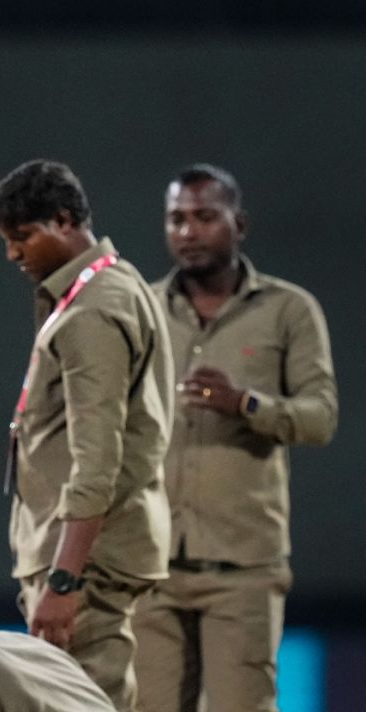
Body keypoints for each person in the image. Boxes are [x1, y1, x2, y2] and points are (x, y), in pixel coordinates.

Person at [132, 164, 338, 712]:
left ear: (238, 223)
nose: (188, 231)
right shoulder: (144, 309)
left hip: (242, 567)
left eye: (204, 217)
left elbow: (321, 417)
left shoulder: (287, 310)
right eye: (176, 219)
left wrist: (246, 404)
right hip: (154, 565)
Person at [0, 159, 174, 711]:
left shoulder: (93, 310)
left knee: (83, 700)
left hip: (82, 559)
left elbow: (98, 457)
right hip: (87, 549)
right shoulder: (115, 286)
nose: (14, 254)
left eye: (22, 237)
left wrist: (64, 581)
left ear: (64, 220)